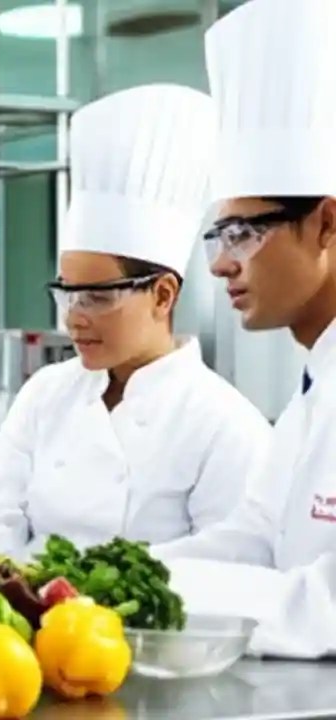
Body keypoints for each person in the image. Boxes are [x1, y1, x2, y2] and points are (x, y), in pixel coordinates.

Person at [0, 85, 271, 560]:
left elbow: (225, 567)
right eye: (67, 293)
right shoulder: (46, 393)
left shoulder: (224, 423)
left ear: (163, 294)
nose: (74, 318)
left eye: (98, 297)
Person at [152, 0, 336, 659]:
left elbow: (325, 608)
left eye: (245, 232)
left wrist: (153, 585)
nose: (223, 261)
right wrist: (115, 575)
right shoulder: (315, 381)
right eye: (219, 235)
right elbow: (256, 535)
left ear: (325, 224)